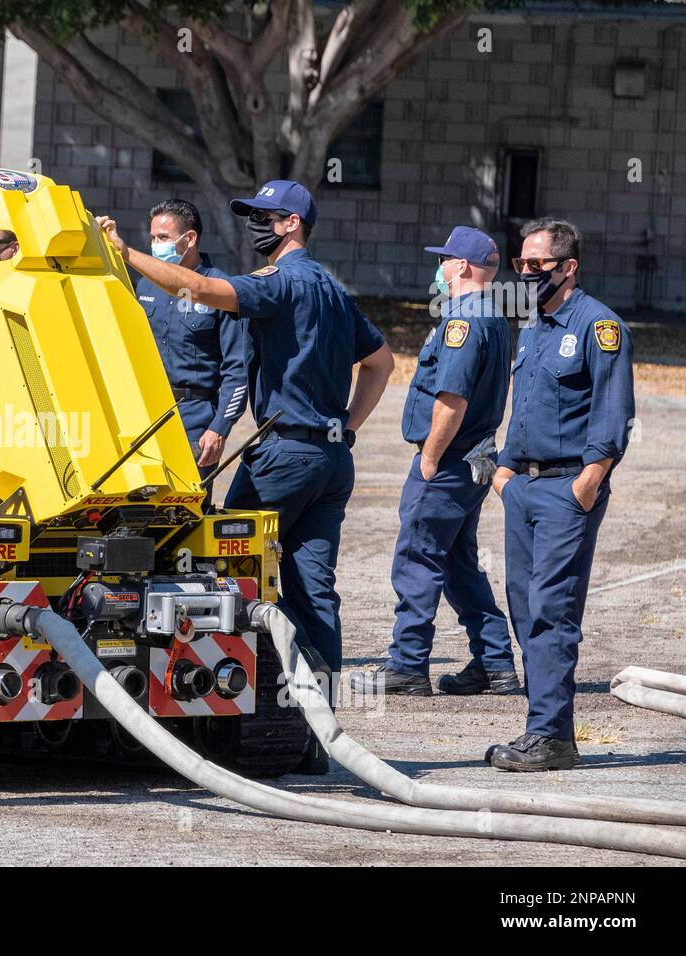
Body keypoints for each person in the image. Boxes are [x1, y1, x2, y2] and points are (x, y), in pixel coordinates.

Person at [97, 179, 394, 774]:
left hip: (283, 455)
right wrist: (346, 427)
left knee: (222, 567)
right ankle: (317, 737)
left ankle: (205, 712)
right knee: (314, 595)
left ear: (291, 224)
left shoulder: (279, 283)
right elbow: (382, 363)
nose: (255, 224)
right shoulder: (332, 287)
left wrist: (125, 252)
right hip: (332, 458)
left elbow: (199, 287)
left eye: (265, 216)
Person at [487, 218, 635, 771]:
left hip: (567, 491)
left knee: (553, 609)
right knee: (525, 610)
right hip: (522, 487)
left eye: (536, 265)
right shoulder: (534, 327)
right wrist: (503, 474)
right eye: (519, 265)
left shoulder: (600, 326)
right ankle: (544, 730)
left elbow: (613, 415)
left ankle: (550, 735)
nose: (524, 273)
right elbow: (522, 408)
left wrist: (586, 485)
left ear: (567, 267)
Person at [351, 227, 518, 698]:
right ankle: (495, 662)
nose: (439, 269)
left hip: (446, 462)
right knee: (460, 562)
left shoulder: (466, 319)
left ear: (461, 266)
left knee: (416, 559)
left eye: (444, 260)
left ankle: (406, 665)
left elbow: (452, 399)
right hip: (471, 462)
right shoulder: (492, 316)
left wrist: (429, 458)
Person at [133, 199, 246, 506]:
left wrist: (219, 428)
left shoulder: (219, 289)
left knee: (186, 513)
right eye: (153, 238)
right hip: (145, 415)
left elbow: (237, 371)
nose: (156, 245)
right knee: (137, 513)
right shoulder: (145, 284)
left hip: (193, 419)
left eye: (163, 238)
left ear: (190, 239)